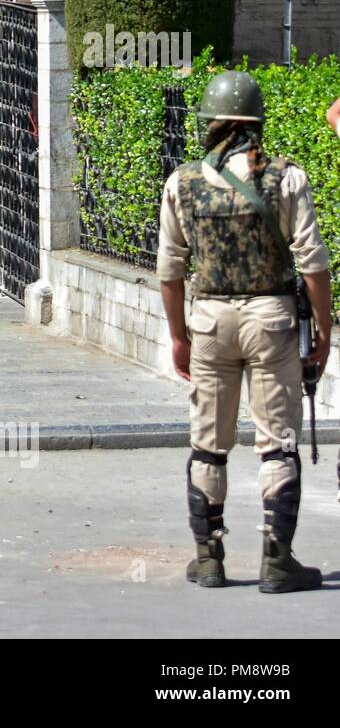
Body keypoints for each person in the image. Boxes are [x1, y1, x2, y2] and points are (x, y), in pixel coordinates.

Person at [158, 71, 331, 594]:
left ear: (210, 122)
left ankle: (208, 559)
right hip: (272, 320)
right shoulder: (286, 178)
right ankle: (277, 562)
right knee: (277, 441)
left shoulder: (182, 181)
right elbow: (313, 264)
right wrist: (323, 330)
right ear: (259, 121)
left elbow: (170, 269)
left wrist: (180, 336)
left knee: (209, 442)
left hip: (210, 321)